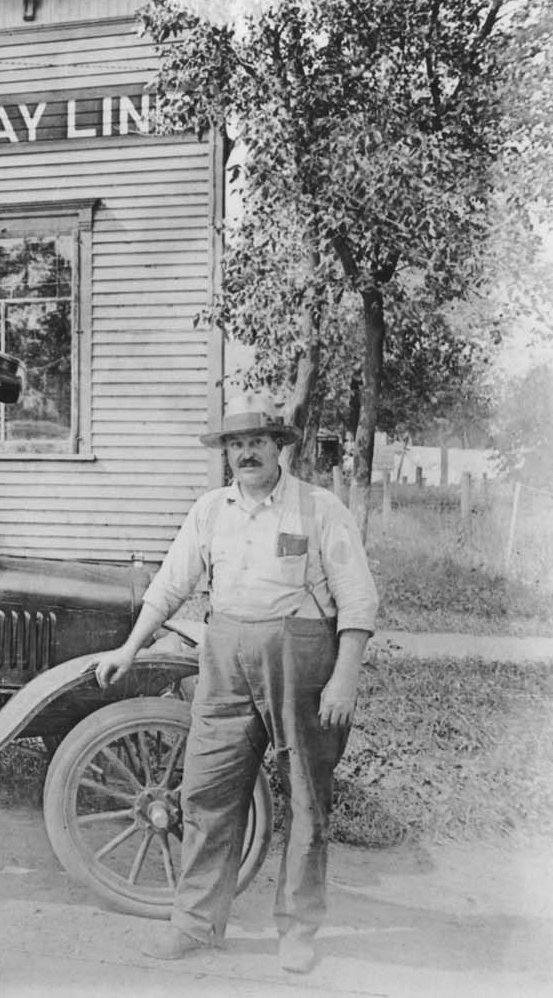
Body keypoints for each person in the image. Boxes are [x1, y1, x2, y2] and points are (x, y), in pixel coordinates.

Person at [92, 410, 378, 975]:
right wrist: (129, 648)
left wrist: (344, 677)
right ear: (227, 454)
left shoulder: (319, 509)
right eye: (236, 445)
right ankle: (196, 923)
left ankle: (298, 932)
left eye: (258, 442)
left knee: (305, 798)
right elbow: (171, 583)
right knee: (206, 791)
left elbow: (358, 599)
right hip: (224, 655)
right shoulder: (210, 510)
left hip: (300, 656)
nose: (247, 453)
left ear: (280, 448)